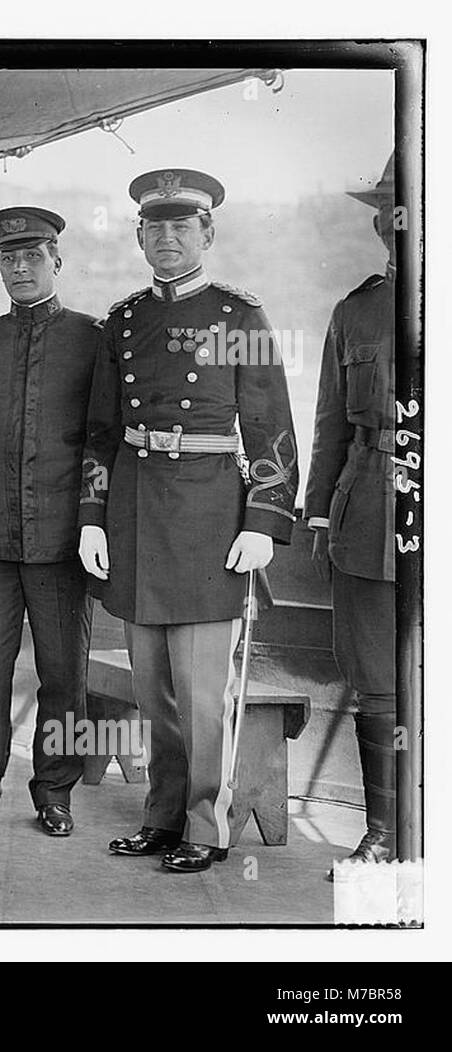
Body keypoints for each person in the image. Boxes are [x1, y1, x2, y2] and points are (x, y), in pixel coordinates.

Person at [79, 169, 298, 873]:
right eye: (154, 227)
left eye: (181, 227)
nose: (166, 239)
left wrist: (262, 521)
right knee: (154, 690)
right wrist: (92, 518)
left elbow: (272, 430)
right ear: (139, 235)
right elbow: (100, 431)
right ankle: (162, 816)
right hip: (138, 513)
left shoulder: (240, 316)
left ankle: (207, 828)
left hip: (210, 515)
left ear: (207, 234)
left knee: (204, 694)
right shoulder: (123, 321)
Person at [0, 210, 98, 837]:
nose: (21, 269)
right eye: (8, 259)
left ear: (57, 260)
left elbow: (102, 436)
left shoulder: (92, 338)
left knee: (64, 672)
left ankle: (55, 792)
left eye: (33, 257)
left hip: (63, 542)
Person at [306, 153, 398, 876]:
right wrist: (315, 515)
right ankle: (384, 836)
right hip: (366, 513)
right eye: (395, 208)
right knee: (374, 675)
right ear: (379, 222)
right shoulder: (356, 310)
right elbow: (331, 424)